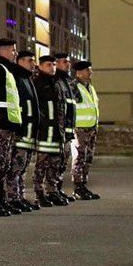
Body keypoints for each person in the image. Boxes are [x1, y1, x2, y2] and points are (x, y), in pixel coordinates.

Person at [0, 38, 23, 217]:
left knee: (4, 164)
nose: (15, 53)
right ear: (4, 50)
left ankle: (0, 200)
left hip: (7, 123)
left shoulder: (6, 70)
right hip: (0, 123)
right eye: (13, 50)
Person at [7, 50, 41, 212]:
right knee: (16, 166)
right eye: (29, 60)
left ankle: (19, 196)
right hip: (21, 130)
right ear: (20, 61)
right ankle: (13, 197)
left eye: (33, 61)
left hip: (29, 130)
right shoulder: (17, 77)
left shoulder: (27, 78)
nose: (33, 64)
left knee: (23, 166)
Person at [32, 55, 67, 207]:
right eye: (48, 65)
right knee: (42, 164)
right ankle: (40, 193)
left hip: (57, 131)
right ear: (40, 66)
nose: (52, 67)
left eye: (53, 64)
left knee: (55, 163)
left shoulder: (57, 83)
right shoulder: (38, 83)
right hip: (44, 131)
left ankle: (52, 191)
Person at [72, 61, 101, 200]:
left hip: (91, 128)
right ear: (79, 73)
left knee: (88, 158)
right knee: (79, 158)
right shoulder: (74, 87)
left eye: (90, 70)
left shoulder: (90, 87)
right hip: (80, 129)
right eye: (87, 70)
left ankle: (83, 185)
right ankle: (78, 187)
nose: (90, 73)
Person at [54, 53, 80, 202]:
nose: (68, 64)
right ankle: (53, 189)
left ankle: (58, 188)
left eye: (69, 62)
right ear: (57, 63)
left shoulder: (68, 82)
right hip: (61, 129)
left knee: (63, 161)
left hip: (68, 129)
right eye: (65, 62)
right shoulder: (57, 81)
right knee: (56, 162)